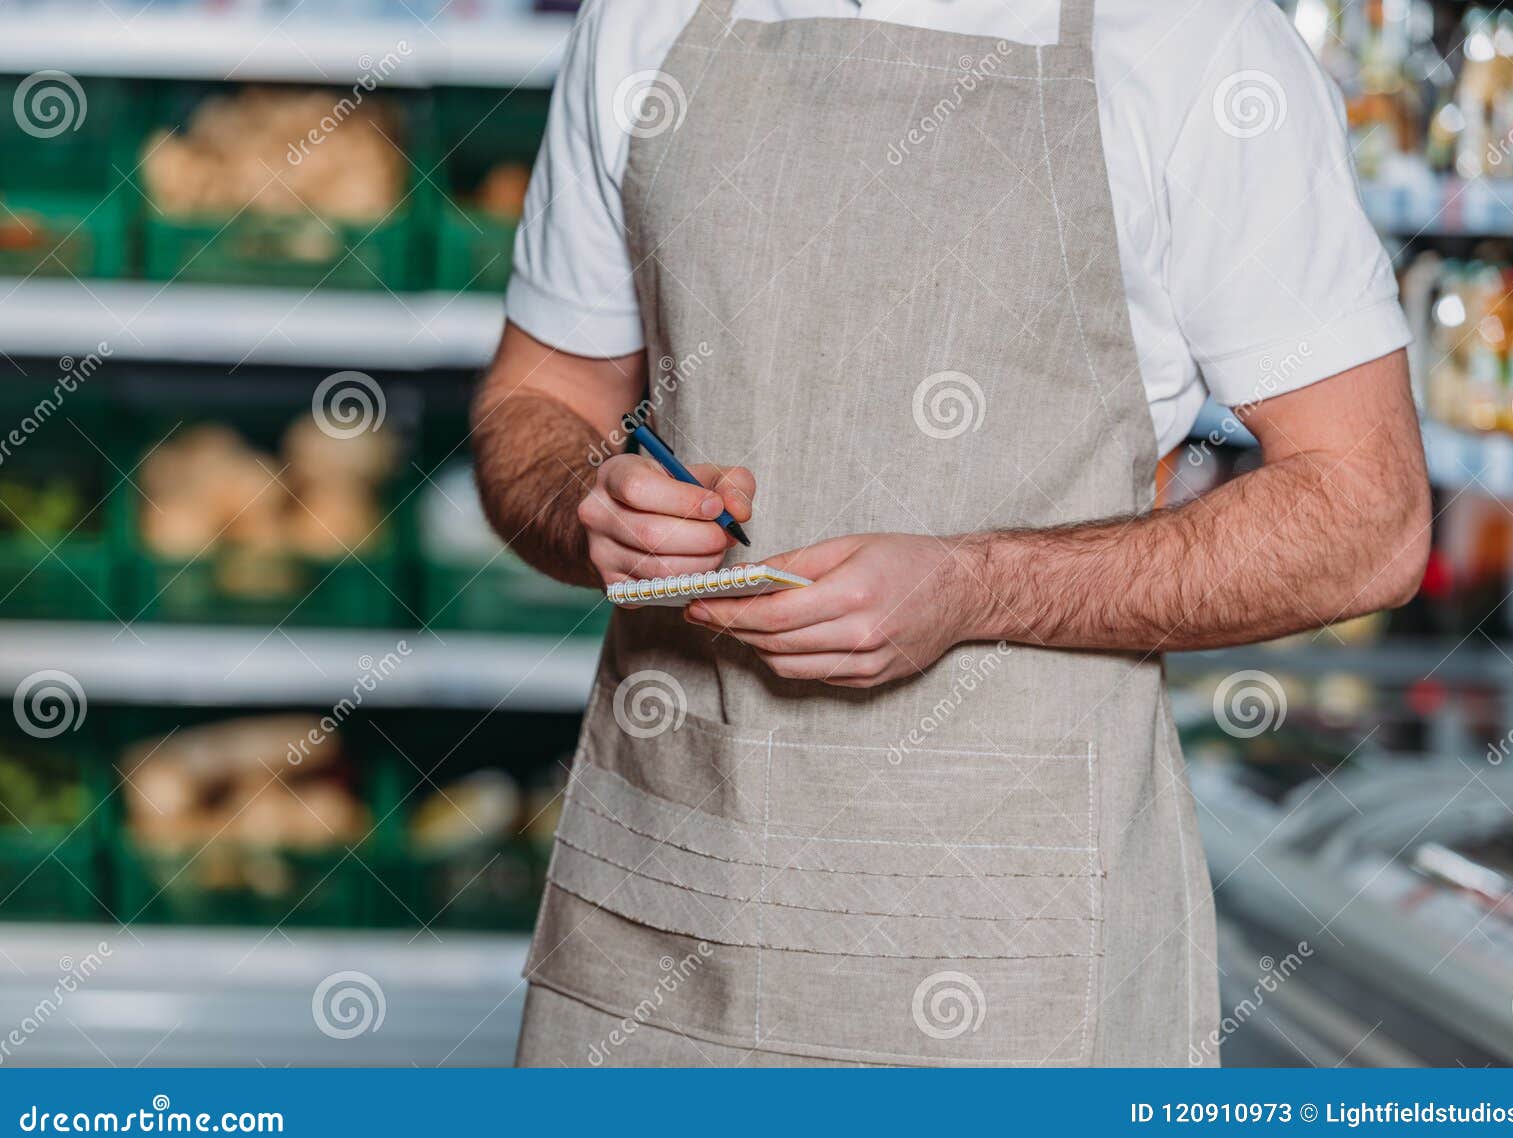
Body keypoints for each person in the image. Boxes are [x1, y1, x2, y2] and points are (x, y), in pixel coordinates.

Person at [472, 0, 1430, 1066]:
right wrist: (588, 497)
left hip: (1006, 954)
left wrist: (980, 586)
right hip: (655, 922)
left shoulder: (1194, 38)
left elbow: (1366, 514)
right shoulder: (644, 19)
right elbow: (541, 395)